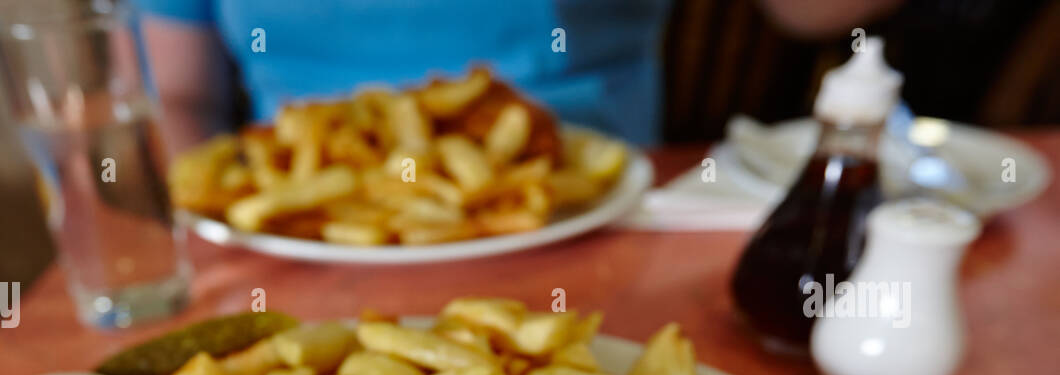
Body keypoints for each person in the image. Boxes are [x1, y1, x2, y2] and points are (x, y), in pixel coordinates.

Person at [136, 0, 904, 151]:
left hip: (601, 213)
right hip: (288, 238)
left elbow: (812, 11)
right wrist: (214, 222)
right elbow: (177, 95)